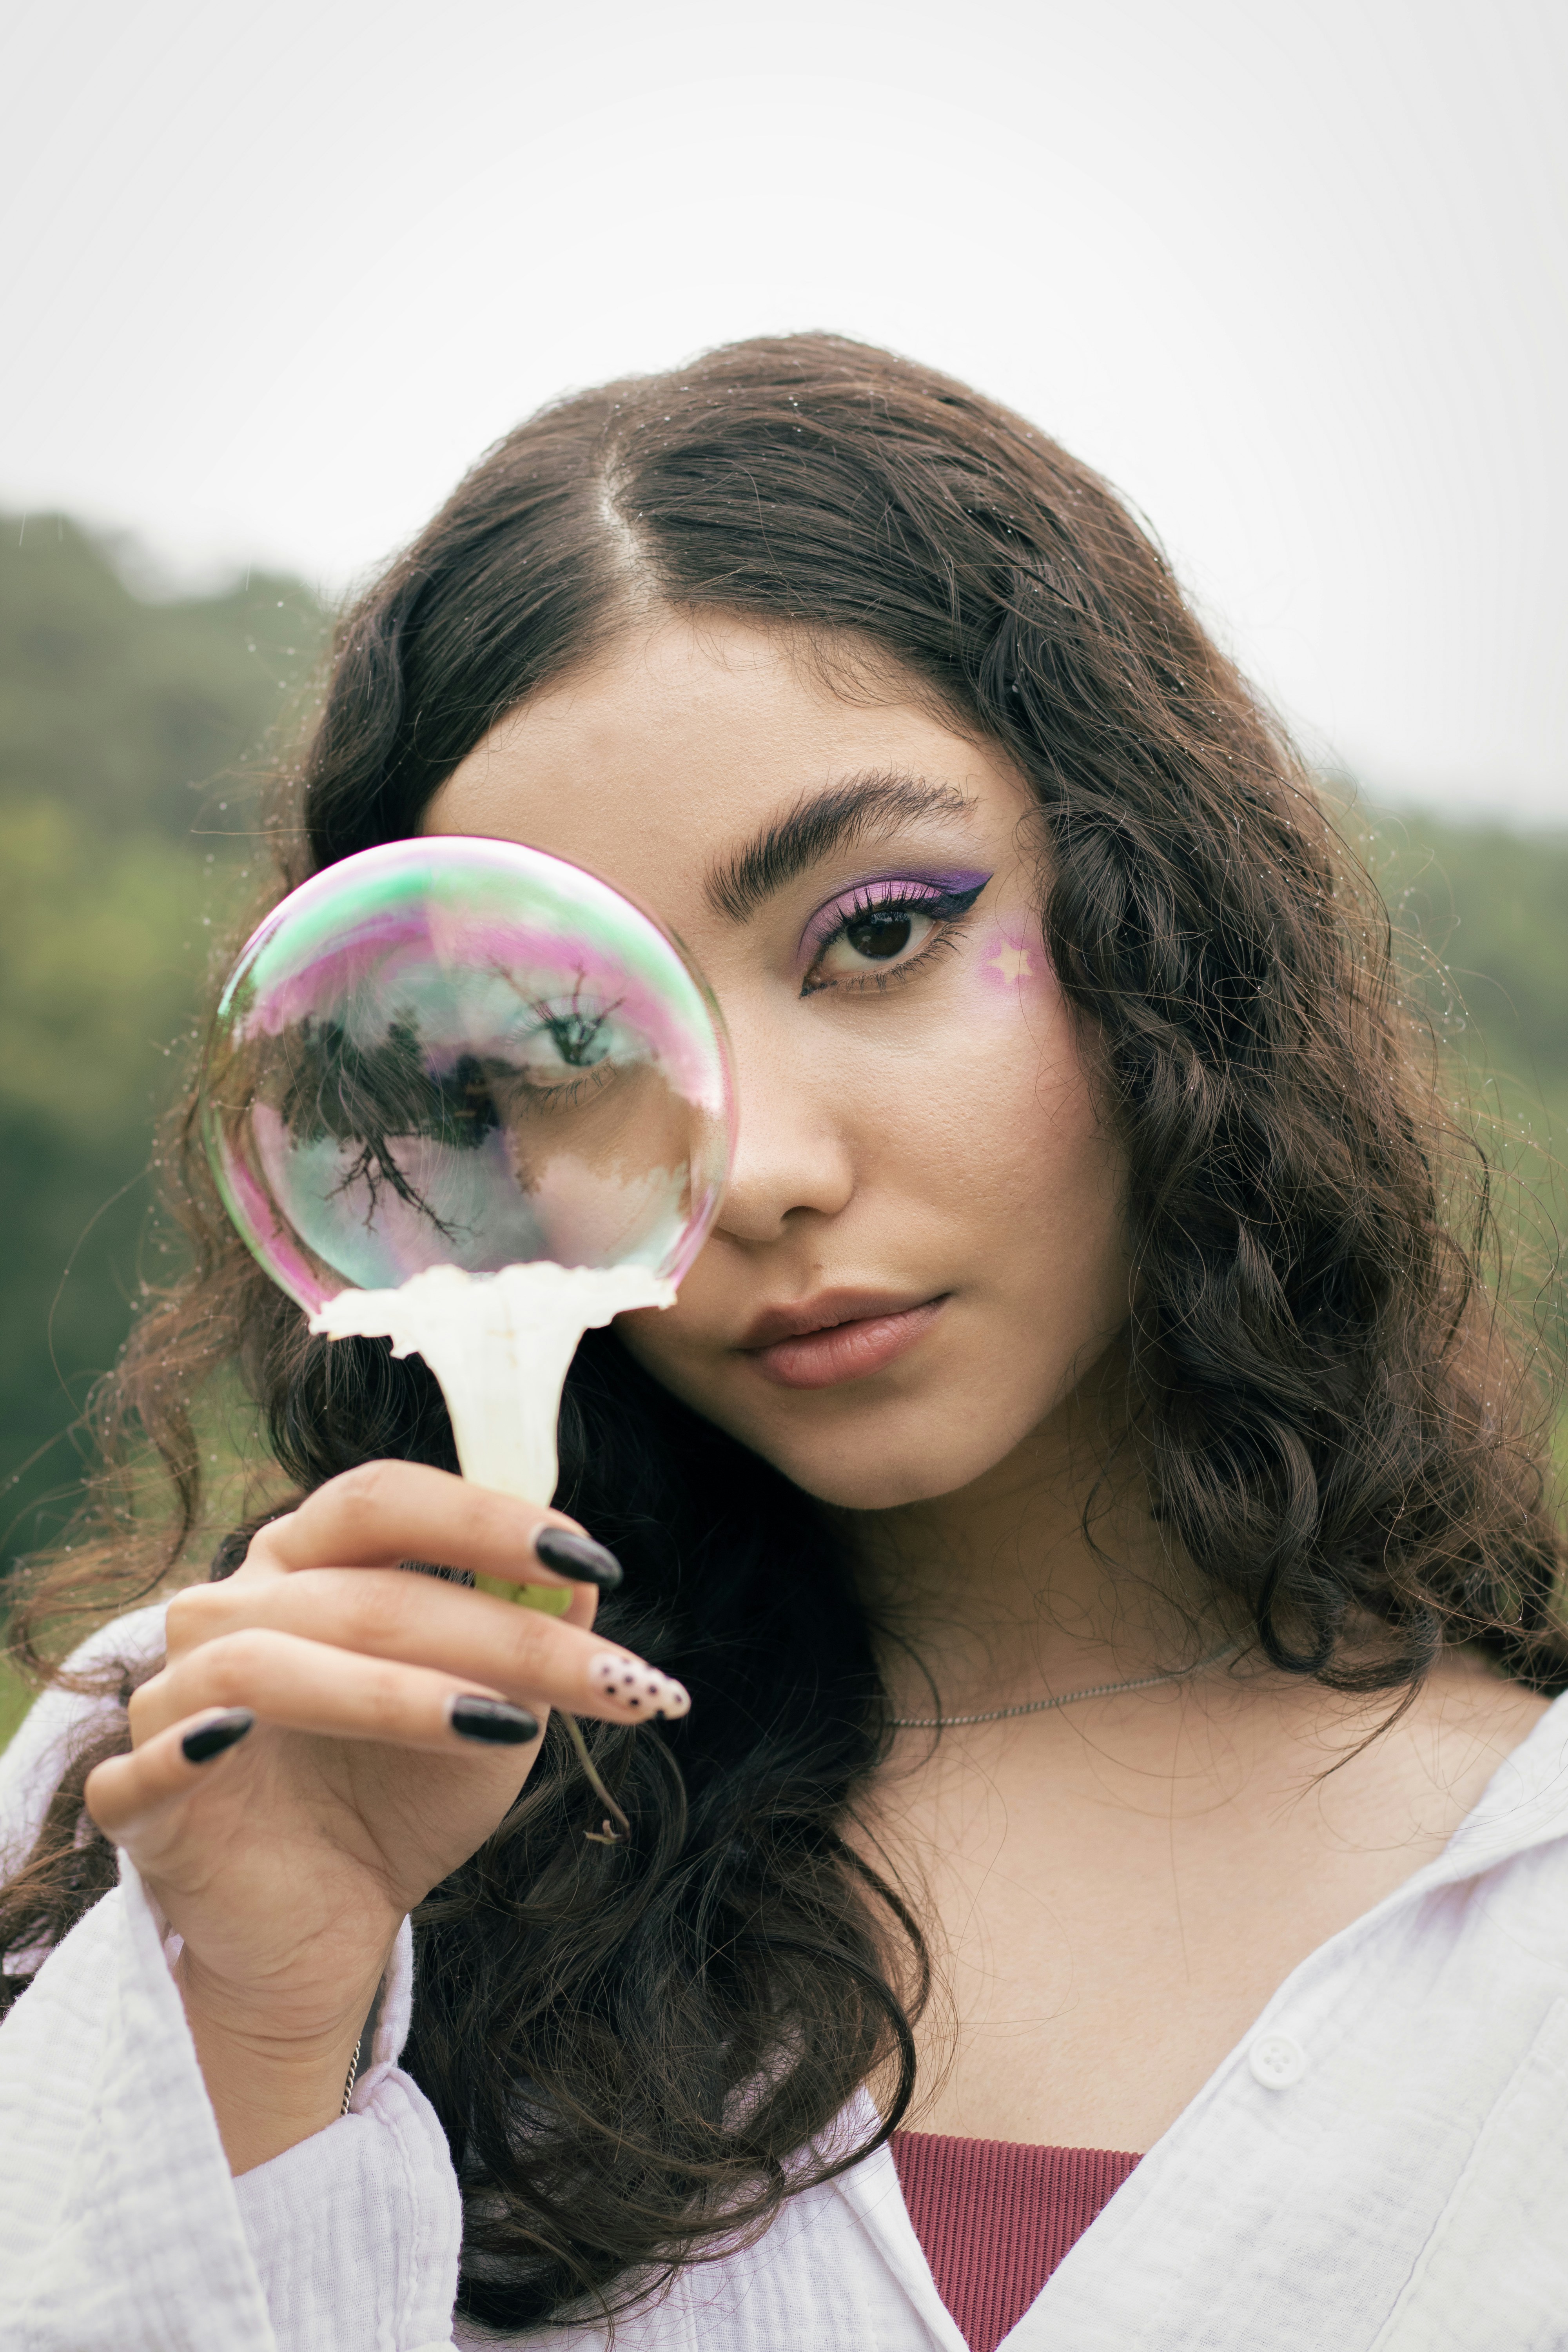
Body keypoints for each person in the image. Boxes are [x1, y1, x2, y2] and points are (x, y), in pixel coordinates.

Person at [2, 333, 1564, 2352]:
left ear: (1157, 907)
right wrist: (256, 2009)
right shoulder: (226, 1765)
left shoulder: (1519, 1865)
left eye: (882, 934)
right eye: (564, 1045)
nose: (755, 1172)